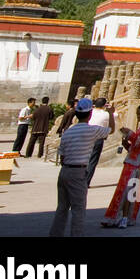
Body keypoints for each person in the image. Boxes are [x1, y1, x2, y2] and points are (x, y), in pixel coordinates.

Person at [49, 98, 110, 237]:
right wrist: (111, 114)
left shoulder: (68, 133)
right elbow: (109, 130)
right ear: (90, 114)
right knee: (78, 209)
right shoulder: (91, 131)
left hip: (64, 170)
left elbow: (62, 156)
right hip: (78, 171)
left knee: (62, 208)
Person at [102, 103, 140, 229]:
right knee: (128, 190)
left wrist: (129, 133)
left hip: (137, 163)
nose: (138, 116)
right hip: (135, 160)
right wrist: (127, 144)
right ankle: (123, 217)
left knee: (128, 190)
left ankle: (123, 217)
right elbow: (136, 144)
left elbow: (139, 141)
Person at [85, 98, 112, 186]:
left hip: (86, 135)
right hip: (97, 137)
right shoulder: (106, 114)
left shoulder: (89, 112)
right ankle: (86, 182)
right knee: (92, 161)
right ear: (104, 105)